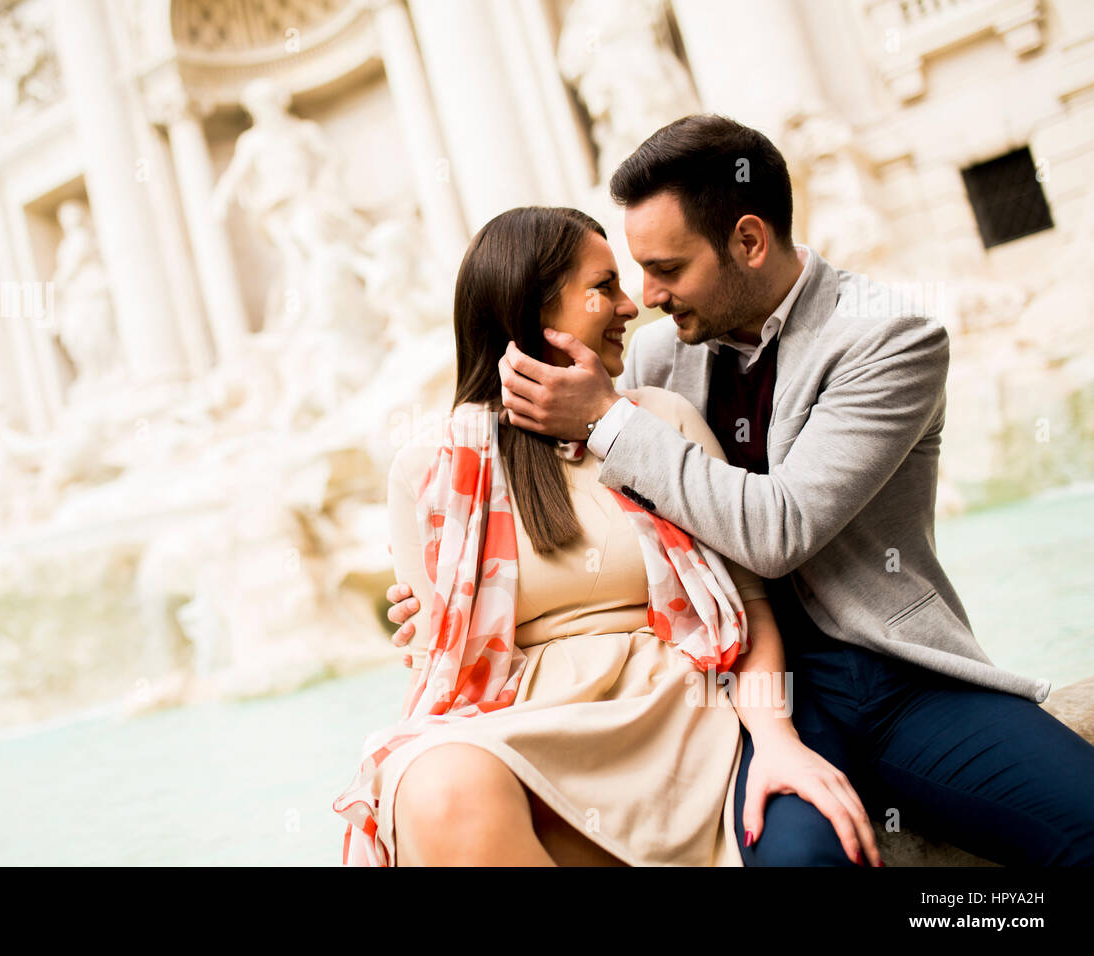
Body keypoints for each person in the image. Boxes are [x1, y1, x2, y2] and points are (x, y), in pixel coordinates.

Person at [387, 114, 1094, 866]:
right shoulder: (657, 356)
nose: (647, 297)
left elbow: (778, 529)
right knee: (798, 862)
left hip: (887, 677)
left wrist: (604, 418)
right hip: (732, 689)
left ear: (749, 242)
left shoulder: (889, 341)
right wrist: (454, 588)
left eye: (666, 268)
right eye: (632, 274)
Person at [338, 205, 883, 867]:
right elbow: (440, 665)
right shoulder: (431, 469)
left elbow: (749, 608)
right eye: (605, 287)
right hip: (526, 730)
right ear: (532, 309)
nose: (630, 306)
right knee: (439, 785)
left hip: (682, 720)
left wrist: (775, 739)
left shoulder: (659, 420)